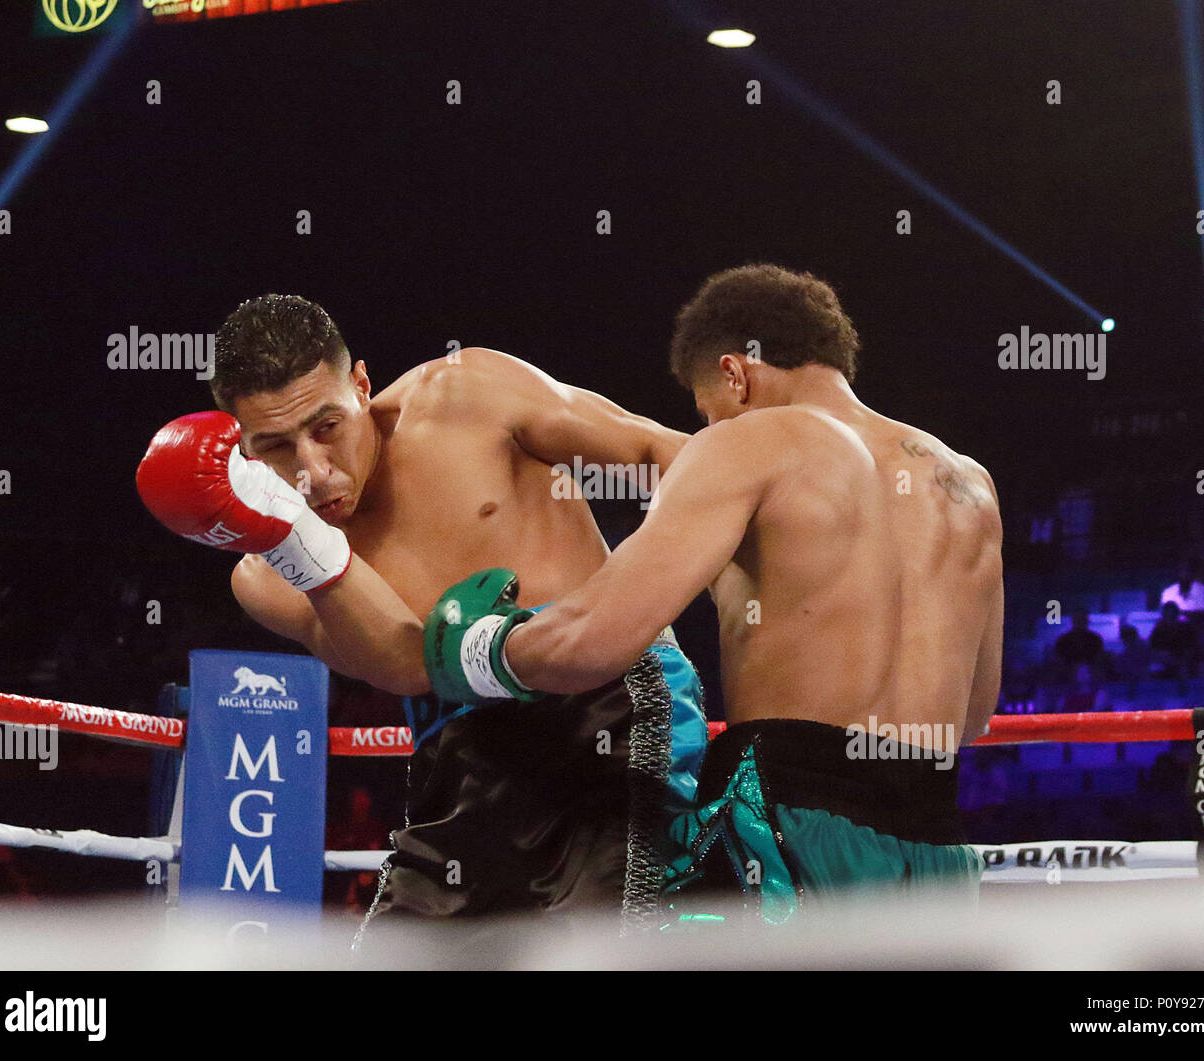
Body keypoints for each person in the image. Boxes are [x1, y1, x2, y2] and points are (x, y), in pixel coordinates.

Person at [424, 263, 1001, 924]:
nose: (706, 428)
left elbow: (593, 639)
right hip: (935, 851)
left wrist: (475, 646)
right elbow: (975, 712)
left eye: (707, 410)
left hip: (778, 835)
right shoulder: (971, 485)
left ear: (736, 373)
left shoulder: (750, 442)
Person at [135, 294, 706, 920]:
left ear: (361, 384)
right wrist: (298, 540)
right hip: (457, 754)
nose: (314, 472)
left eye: (328, 427)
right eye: (274, 446)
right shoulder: (266, 575)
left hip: (611, 706)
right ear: (242, 447)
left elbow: (667, 460)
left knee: (600, 945)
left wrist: (630, 605)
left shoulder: (469, 396)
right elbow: (407, 664)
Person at [1149, 601, 1198, 678]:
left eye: (1172, 615)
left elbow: (1191, 649)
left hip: (1183, 663)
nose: (1170, 618)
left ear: (1177, 615)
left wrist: (1181, 661)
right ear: (1163, 616)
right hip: (1163, 663)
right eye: (1168, 615)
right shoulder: (1158, 631)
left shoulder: (1186, 629)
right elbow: (1153, 650)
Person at [1052, 607, 1104, 678]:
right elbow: (1059, 662)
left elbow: (1099, 661)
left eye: (1083, 619)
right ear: (1073, 620)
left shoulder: (1096, 639)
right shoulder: (1062, 641)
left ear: (1087, 620)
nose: (1081, 622)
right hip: (1068, 679)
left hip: (1092, 678)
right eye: (1078, 619)